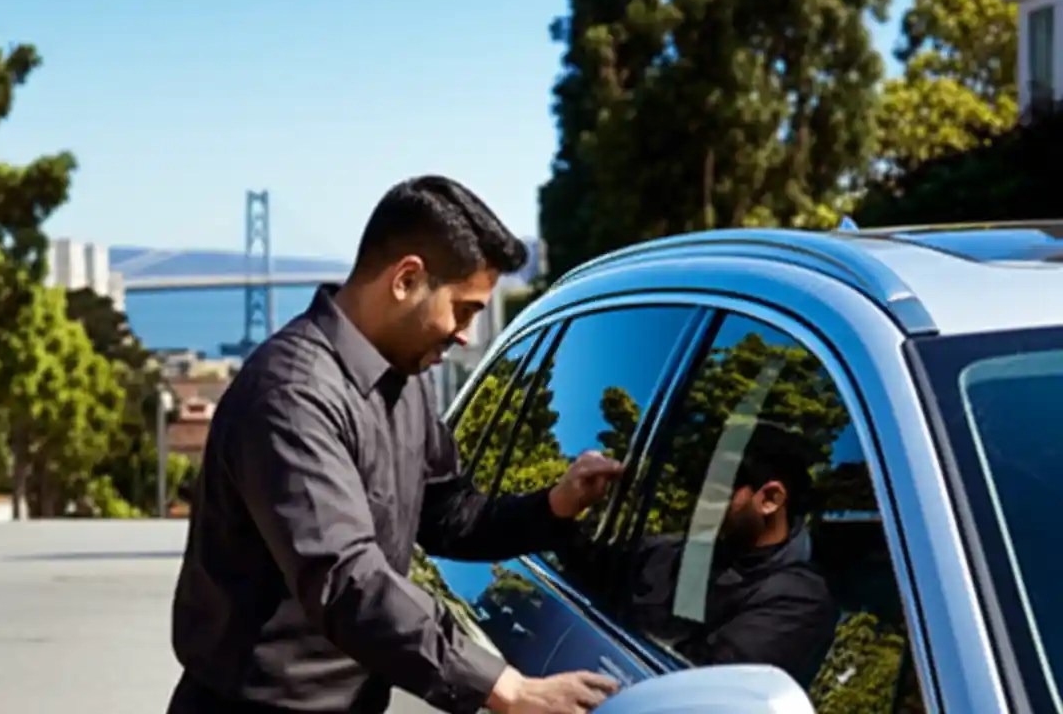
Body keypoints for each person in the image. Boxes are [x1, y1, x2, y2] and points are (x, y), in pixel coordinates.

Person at [167, 175, 624, 714]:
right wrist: (505, 687)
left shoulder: (406, 385)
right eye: (465, 309)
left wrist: (554, 504)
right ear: (406, 279)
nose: (465, 336)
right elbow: (346, 579)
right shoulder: (291, 396)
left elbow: (450, 514)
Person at [616, 420, 839, 687]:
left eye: (717, 491)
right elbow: (593, 564)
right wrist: (558, 506)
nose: (701, 503)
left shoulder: (799, 602)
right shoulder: (672, 552)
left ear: (769, 499)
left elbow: (705, 690)